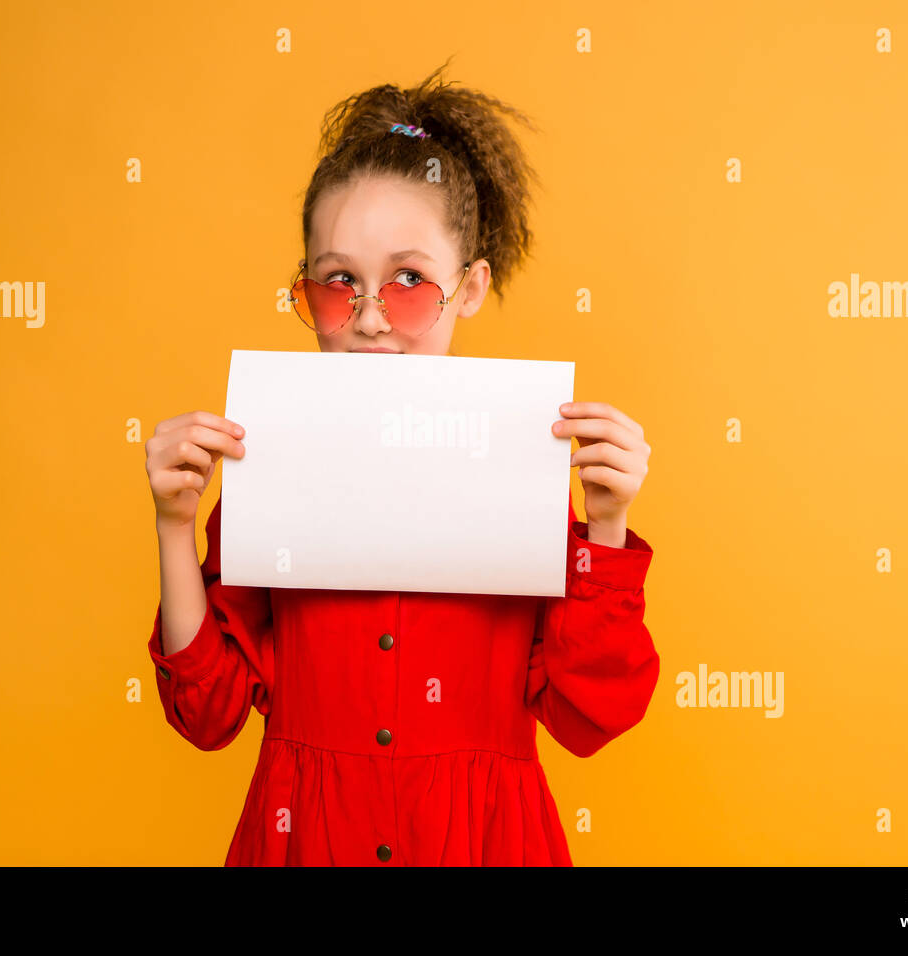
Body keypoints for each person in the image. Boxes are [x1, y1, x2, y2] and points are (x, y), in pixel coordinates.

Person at [144, 57, 657, 865]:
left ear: (471, 286)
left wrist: (609, 524)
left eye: (410, 281)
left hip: (486, 841)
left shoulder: (521, 474)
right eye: (338, 282)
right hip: (306, 839)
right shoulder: (266, 470)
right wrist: (176, 527)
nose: (372, 318)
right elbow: (207, 718)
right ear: (304, 290)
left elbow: (592, 714)